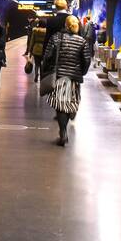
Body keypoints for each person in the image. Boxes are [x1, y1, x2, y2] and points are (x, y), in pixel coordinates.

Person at [42, 14, 92, 147]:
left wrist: (45, 71)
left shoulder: (56, 38)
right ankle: (72, 112)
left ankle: (63, 132)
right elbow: (86, 60)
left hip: (59, 76)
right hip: (74, 78)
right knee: (71, 101)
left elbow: (47, 56)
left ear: (65, 25)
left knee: (60, 105)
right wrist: (81, 73)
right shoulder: (82, 41)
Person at [40, 0, 71, 83]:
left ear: (56, 7)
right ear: (66, 6)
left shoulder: (50, 21)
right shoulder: (72, 19)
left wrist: (44, 56)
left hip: (54, 56)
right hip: (70, 55)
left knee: (55, 79)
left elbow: (47, 39)